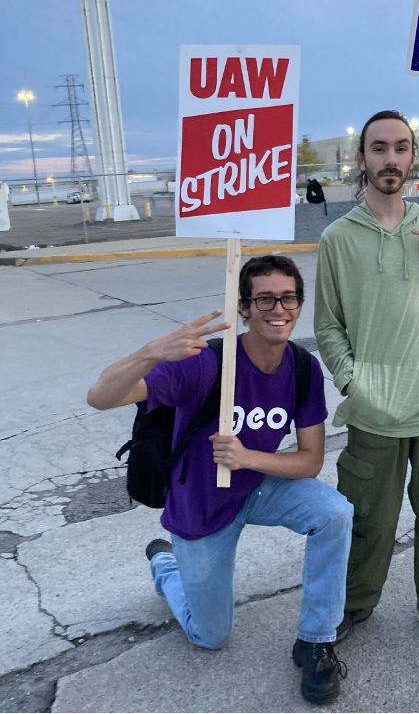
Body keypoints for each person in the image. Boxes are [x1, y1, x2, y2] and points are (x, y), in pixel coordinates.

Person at [87, 255, 353, 704]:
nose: (278, 309)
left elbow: (310, 462)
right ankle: (167, 567)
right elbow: (100, 397)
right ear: (244, 307)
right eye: (264, 299)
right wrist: (151, 351)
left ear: (299, 304)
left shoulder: (303, 368)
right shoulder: (206, 363)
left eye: (288, 298)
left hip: (258, 487)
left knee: (335, 513)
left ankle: (316, 640)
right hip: (201, 506)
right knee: (210, 636)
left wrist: (248, 456)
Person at [314, 110, 419, 651]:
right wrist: (351, 381)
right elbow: (328, 324)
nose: (390, 158)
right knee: (369, 519)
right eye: (378, 148)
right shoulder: (339, 237)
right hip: (373, 407)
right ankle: (356, 601)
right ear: (361, 159)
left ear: (412, 158)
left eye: (401, 148)